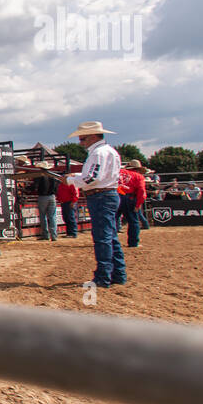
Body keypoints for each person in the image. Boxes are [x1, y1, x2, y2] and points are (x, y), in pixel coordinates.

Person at [65, 120, 124, 288]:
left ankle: (103, 276)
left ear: (92, 137)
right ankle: (118, 273)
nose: (80, 142)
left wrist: (70, 180)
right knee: (110, 236)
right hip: (107, 193)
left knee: (102, 237)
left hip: (100, 196)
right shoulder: (109, 152)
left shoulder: (98, 153)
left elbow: (91, 178)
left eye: (82, 139)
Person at [117, 159, 147, 249]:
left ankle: (109, 241)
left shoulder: (119, 172)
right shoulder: (138, 176)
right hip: (129, 198)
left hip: (116, 195)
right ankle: (133, 243)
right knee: (133, 221)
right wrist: (138, 205)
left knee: (112, 220)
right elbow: (142, 192)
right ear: (138, 169)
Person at [31, 161, 59, 241]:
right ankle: (54, 235)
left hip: (43, 197)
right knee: (52, 216)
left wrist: (28, 189)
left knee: (43, 216)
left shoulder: (39, 176)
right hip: (52, 196)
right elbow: (56, 187)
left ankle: (45, 234)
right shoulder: (52, 176)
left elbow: (35, 187)